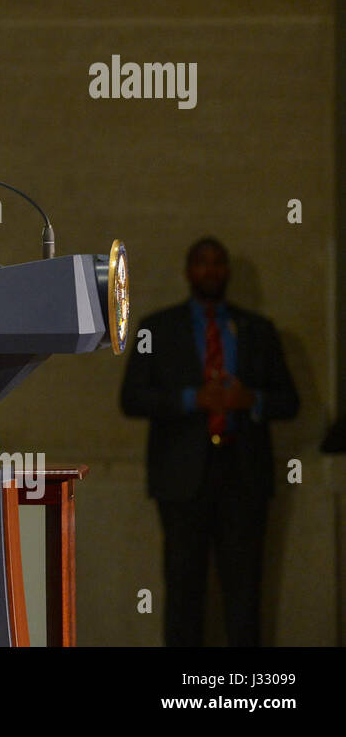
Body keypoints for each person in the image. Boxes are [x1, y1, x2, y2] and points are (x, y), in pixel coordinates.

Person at [120, 237, 299, 646]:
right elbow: (131, 399)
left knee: (245, 590)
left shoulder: (258, 329)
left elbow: (290, 402)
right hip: (182, 478)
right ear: (188, 272)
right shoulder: (157, 328)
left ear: (228, 272)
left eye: (218, 263)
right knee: (183, 588)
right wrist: (191, 398)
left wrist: (250, 399)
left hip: (244, 475)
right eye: (202, 263)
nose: (211, 270)